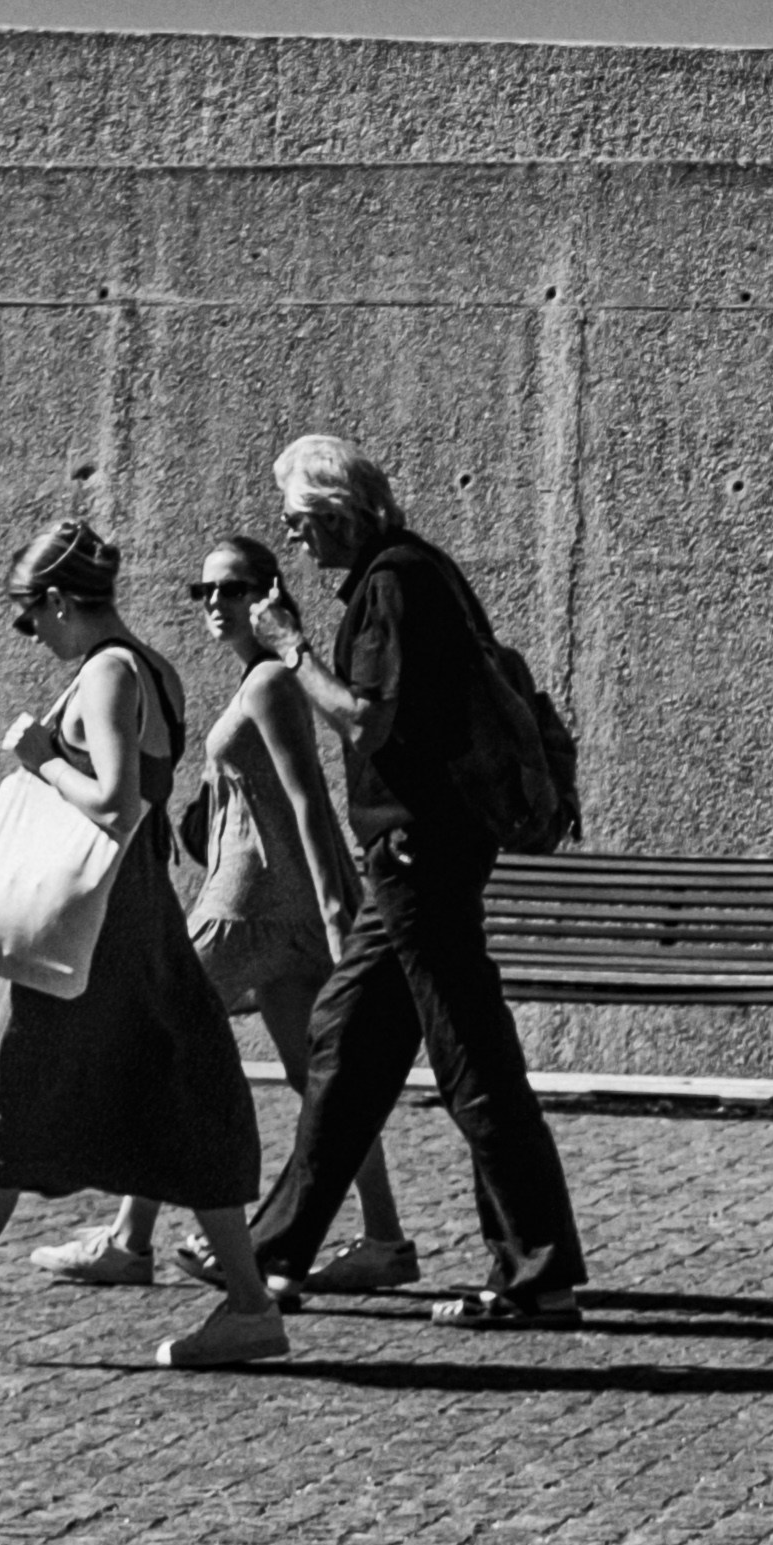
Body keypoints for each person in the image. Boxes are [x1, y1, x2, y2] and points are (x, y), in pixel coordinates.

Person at [0, 517, 263, 1363]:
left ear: (62, 601)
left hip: (92, 937)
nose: (34, 636)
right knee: (174, 1097)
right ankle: (250, 1306)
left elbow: (112, 801)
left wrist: (39, 757)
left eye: (32, 618)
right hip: (139, 923)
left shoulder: (106, 673)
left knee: (14, 1099)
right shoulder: (156, 670)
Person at [202, 431, 583, 1352]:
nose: (294, 546)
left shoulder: (394, 584)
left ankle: (537, 1275)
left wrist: (293, 650)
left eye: (299, 526)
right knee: (345, 1037)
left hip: (422, 853)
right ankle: (277, 1250)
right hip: (411, 855)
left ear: (338, 513)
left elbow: (369, 723)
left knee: (471, 1059)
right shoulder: (415, 576)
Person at [37, 544, 414, 1304]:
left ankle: (128, 1239)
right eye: (202, 586)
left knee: (155, 1042)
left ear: (267, 594)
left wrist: (338, 907)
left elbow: (311, 800)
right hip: (277, 911)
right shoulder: (255, 678)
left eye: (232, 588)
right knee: (322, 1085)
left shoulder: (273, 680)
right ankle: (384, 1240)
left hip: (246, 909)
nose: (214, 600)